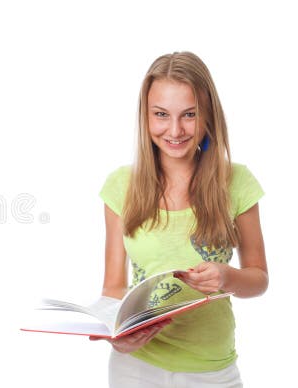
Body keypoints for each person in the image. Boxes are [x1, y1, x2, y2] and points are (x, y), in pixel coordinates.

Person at [95, 51, 268, 387]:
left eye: (189, 114)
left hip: (211, 369)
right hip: (135, 367)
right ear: (145, 117)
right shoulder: (120, 186)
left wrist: (225, 276)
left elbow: (259, 279)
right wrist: (118, 334)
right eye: (161, 115)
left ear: (208, 117)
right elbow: (113, 287)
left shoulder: (238, 182)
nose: (175, 130)